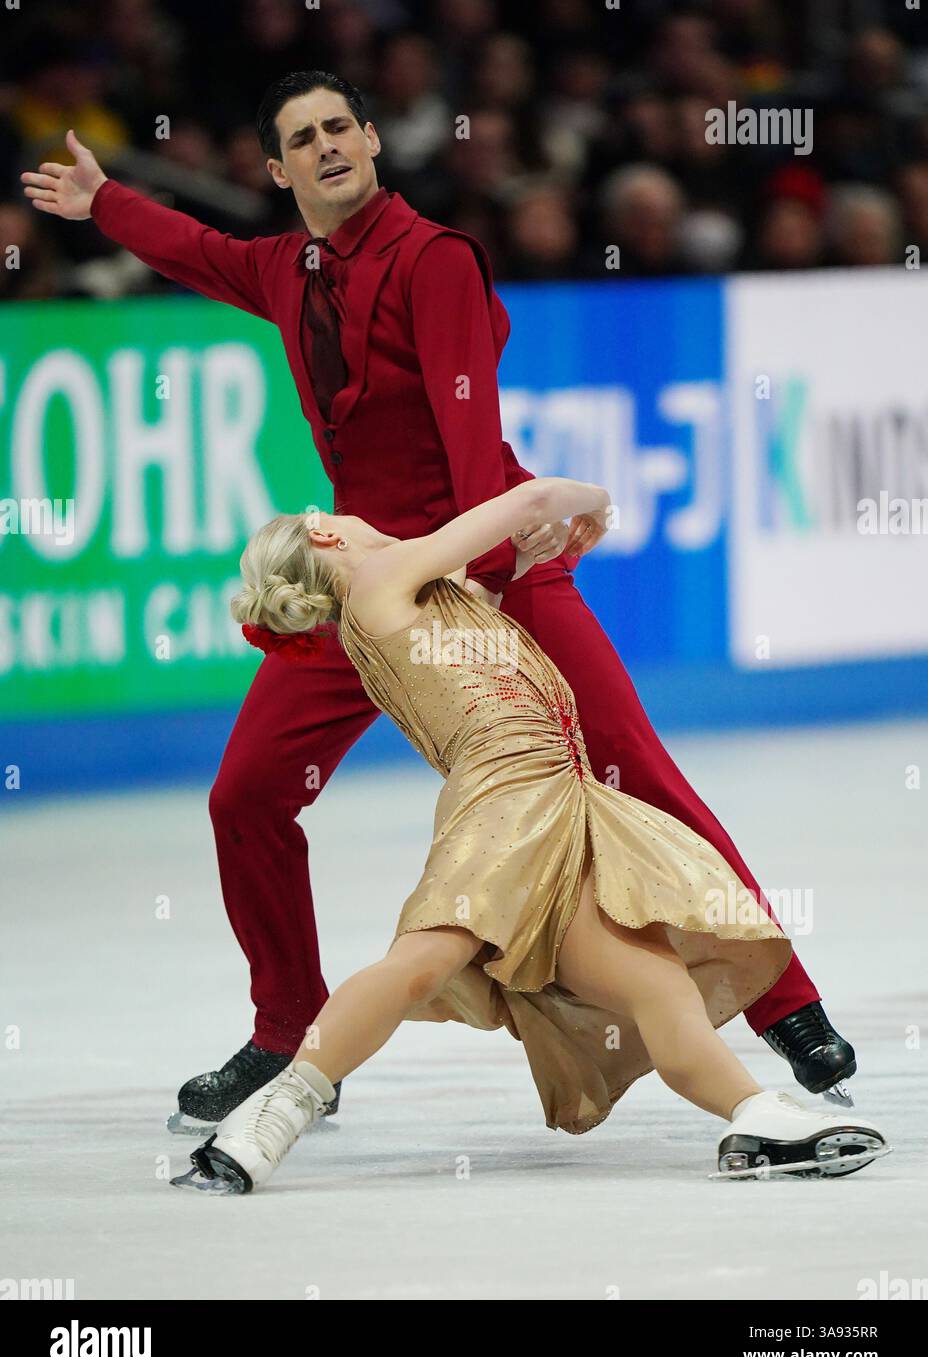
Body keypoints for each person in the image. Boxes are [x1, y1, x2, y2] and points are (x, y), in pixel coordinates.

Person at [20, 71, 856, 1132]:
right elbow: (201, 252)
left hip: (489, 562)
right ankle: (286, 1030)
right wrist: (104, 204)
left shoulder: (435, 258)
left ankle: (784, 1002)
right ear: (276, 170)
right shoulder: (287, 267)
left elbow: (470, 436)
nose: (326, 147)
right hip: (366, 582)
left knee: (631, 769)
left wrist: (487, 567)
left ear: (371, 139)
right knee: (246, 794)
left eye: (339, 128)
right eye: (301, 139)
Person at [171, 479, 888, 1194]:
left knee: (657, 984)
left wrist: (544, 551)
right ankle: (274, 1113)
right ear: (325, 536)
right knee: (423, 960)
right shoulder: (382, 577)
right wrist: (597, 497)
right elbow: (527, 501)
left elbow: (499, 571)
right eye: (323, 512)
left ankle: (756, 1117)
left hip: (561, 803)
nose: (347, 510)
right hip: (502, 801)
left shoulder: (425, 594)